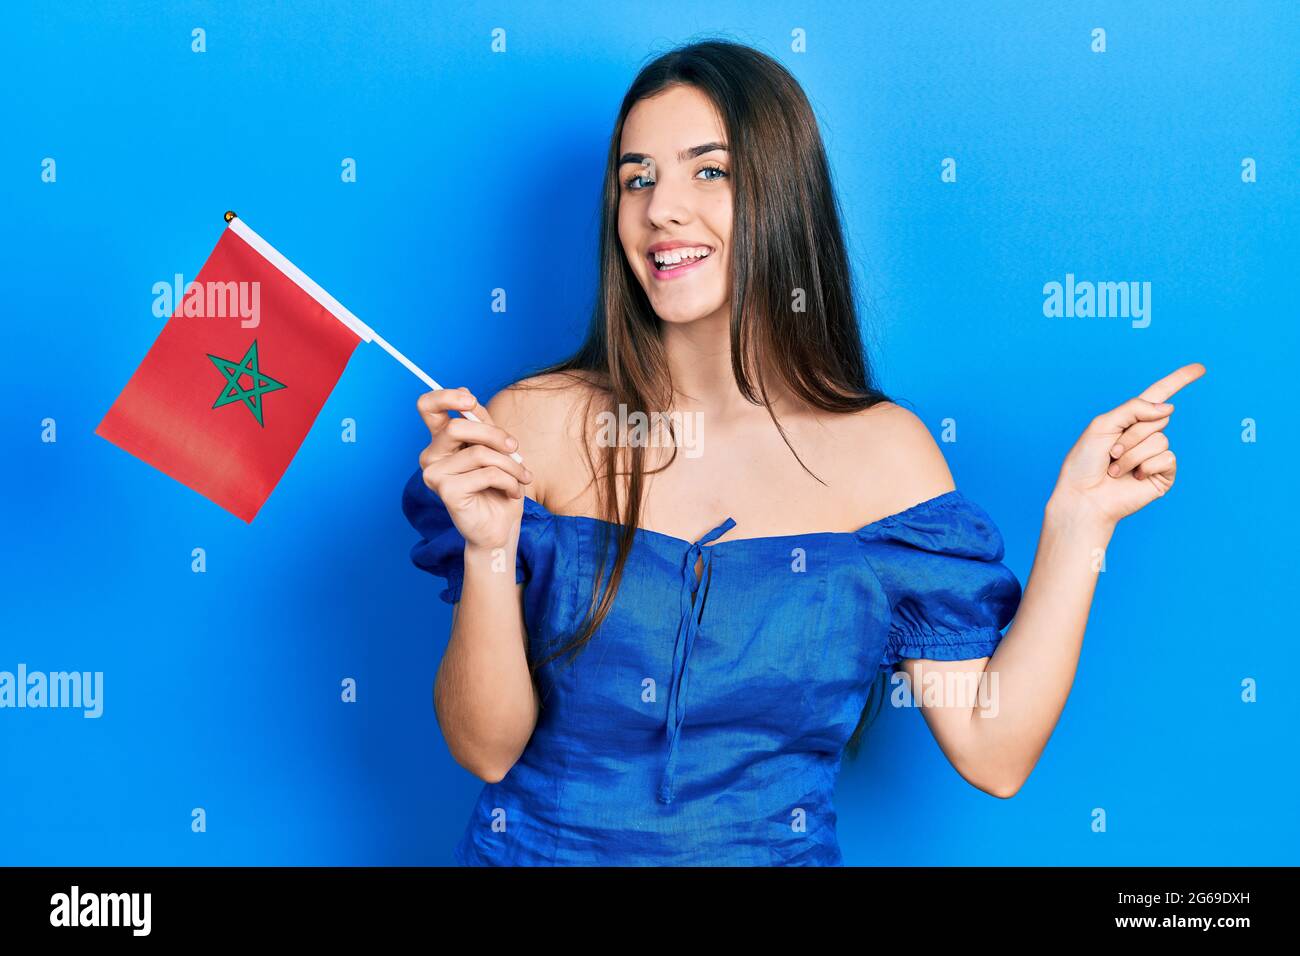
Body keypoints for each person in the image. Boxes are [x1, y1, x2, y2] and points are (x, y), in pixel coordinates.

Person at [401, 39, 1203, 865]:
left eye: (707, 171)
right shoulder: (534, 423)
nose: (661, 209)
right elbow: (484, 747)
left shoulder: (885, 455)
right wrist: (492, 551)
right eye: (637, 178)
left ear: (784, 194)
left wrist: (1078, 527)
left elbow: (993, 756)